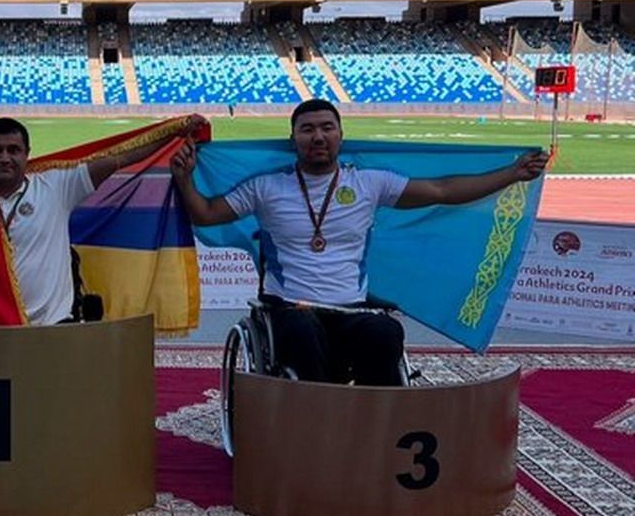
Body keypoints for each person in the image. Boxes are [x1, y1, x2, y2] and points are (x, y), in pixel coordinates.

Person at [171, 99, 548, 386]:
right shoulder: (265, 188)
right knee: (301, 334)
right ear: (293, 139)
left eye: (327, 128)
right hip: (289, 307)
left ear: (340, 135)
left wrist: (512, 174)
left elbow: (442, 190)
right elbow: (206, 214)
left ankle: (376, 429)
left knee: (386, 334)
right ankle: (319, 425)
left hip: (350, 308)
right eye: (307, 130)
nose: (318, 137)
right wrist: (185, 179)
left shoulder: (369, 184)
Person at [0, 116, 201, 325]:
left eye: (14, 150)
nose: (4, 158)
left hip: (53, 327)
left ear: (27, 154)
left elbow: (120, 157)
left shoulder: (55, 187)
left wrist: (174, 129)